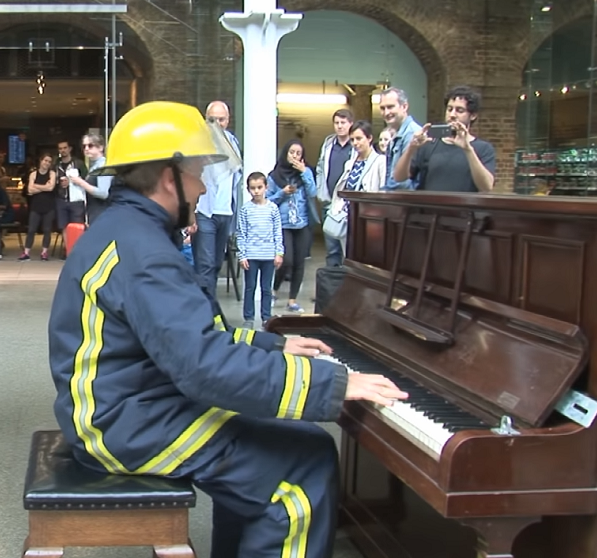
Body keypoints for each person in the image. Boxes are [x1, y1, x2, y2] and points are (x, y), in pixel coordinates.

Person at [48, 101, 407, 558]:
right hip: (123, 423)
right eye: (198, 173)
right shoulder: (144, 250)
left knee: (300, 445)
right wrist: (336, 383)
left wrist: (273, 345)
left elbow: (187, 336)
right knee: (299, 474)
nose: (201, 187)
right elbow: (202, 366)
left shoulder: (129, 229)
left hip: (132, 402)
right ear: (167, 177)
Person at [392, 85, 496, 193]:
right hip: (430, 208)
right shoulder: (429, 143)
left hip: (465, 208)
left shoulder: (483, 148)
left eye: (459, 110)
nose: (452, 115)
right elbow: (399, 177)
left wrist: (468, 150)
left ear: (473, 115)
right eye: (449, 109)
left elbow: (486, 187)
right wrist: (411, 148)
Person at [193, 100, 242, 296]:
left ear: (227, 121)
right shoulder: (198, 143)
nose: (217, 123)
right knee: (204, 264)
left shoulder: (233, 143)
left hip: (225, 211)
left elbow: (236, 176)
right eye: (212, 119)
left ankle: (209, 308)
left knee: (214, 264)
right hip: (204, 210)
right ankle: (206, 313)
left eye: (221, 119)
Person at [266, 140, 317, 313]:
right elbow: (267, 200)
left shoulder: (305, 173)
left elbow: (313, 193)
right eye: (292, 152)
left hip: (302, 224)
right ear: (285, 154)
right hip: (283, 224)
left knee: (299, 262)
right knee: (286, 260)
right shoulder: (274, 176)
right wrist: (282, 192)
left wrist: (305, 173)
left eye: (298, 153)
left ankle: (292, 300)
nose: (295, 156)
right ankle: (274, 289)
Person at [323, 120, 386, 258]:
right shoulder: (350, 163)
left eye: (359, 138)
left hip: (368, 217)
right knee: (348, 256)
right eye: (352, 140)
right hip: (347, 217)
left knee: (367, 257)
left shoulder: (380, 161)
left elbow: (383, 190)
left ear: (369, 138)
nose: (355, 143)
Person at [237, 172, 284, 330]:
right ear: (248, 189)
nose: (256, 191)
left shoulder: (273, 209)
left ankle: (266, 317)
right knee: (250, 287)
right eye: (252, 188)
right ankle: (249, 317)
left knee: (266, 288)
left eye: (259, 187)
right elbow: (241, 233)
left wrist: (279, 253)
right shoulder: (245, 209)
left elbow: (278, 232)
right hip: (251, 255)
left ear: (266, 187)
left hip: (268, 255)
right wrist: (242, 255)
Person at [314, 110, 355, 268]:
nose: (339, 126)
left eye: (343, 123)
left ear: (350, 123)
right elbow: (320, 168)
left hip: (347, 206)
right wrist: (320, 191)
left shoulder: (355, 145)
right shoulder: (328, 143)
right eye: (337, 123)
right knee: (332, 250)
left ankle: (348, 286)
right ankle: (332, 289)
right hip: (329, 203)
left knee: (349, 250)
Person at [378, 87, 422, 190]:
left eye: (390, 107)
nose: (386, 112)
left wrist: (382, 193)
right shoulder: (396, 133)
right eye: (382, 108)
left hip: (406, 201)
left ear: (404, 106)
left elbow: (403, 181)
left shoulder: (411, 133)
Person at [18, 153, 57, 261]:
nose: (47, 163)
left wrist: (36, 186)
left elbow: (51, 188)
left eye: (49, 162)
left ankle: (44, 252)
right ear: (40, 161)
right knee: (31, 229)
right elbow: (29, 190)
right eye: (45, 161)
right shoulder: (33, 174)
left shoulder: (52, 173)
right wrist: (45, 186)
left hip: (49, 206)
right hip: (35, 206)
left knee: (47, 230)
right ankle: (26, 252)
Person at [68, 133, 110, 224]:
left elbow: (103, 193)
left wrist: (81, 182)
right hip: (95, 213)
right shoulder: (95, 166)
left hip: (102, 214)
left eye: (90, 145)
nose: (86, 149)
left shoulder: (103, 166)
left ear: (100, 148)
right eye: (84, 146)